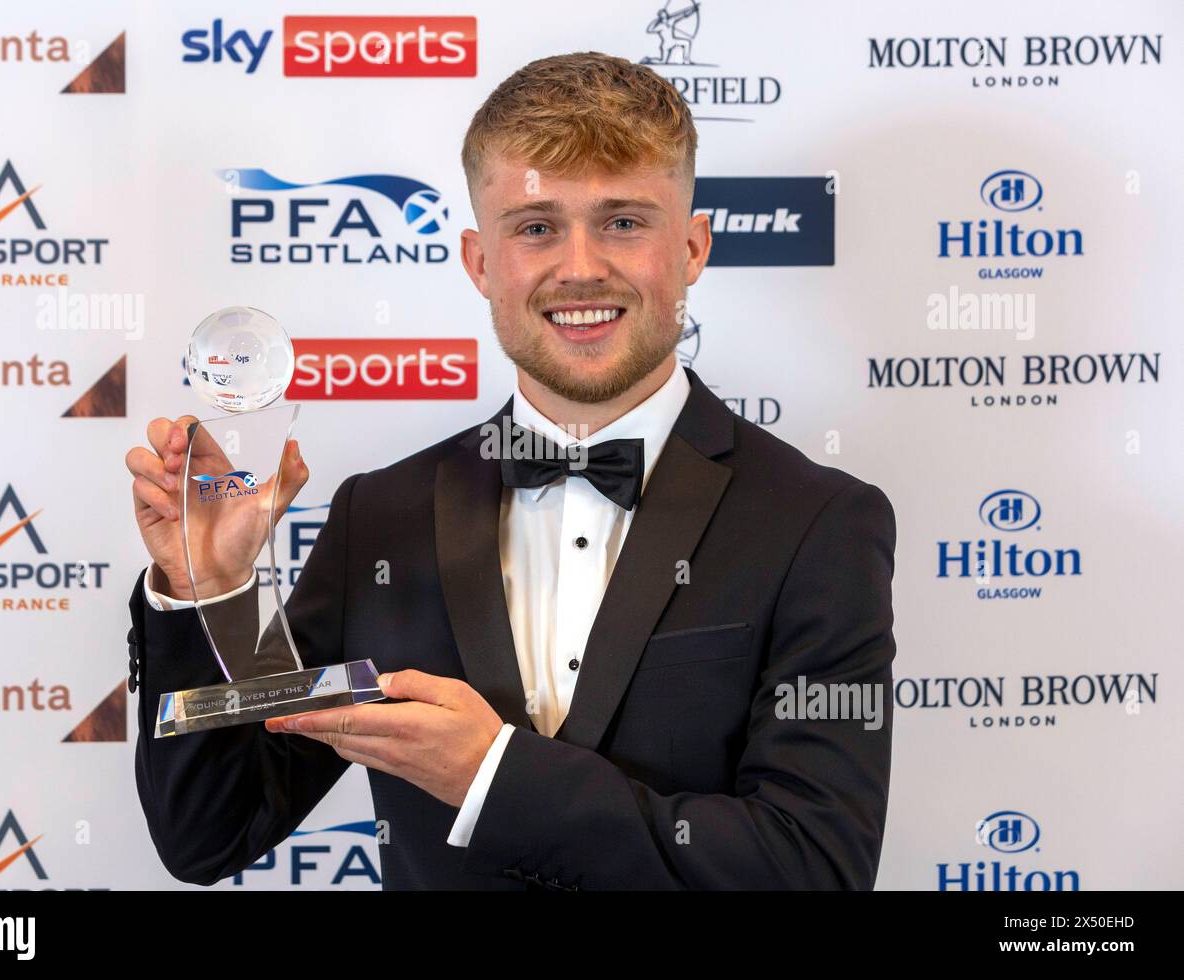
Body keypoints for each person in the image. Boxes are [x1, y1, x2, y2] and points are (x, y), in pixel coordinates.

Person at [125, 51, 897, 890]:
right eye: (536, 227)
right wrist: (208, 589)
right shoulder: (378, 516)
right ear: (480, 262)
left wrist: (492, 776)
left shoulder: (817, 522)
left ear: (692, 247)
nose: (579, 268)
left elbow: (816, 867)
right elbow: (210, 832)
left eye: (624, 222)